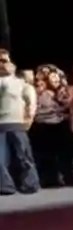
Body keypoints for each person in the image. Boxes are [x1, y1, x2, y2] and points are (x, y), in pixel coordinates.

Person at [0, 48, 40, 195]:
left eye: (4, 60)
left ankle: (30, 184)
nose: (2, 64)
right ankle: (5, 186)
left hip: (17, 123)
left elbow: (31, 102)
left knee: (23, 156)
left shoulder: (21, 83)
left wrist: (28, 120)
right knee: (0, 159)